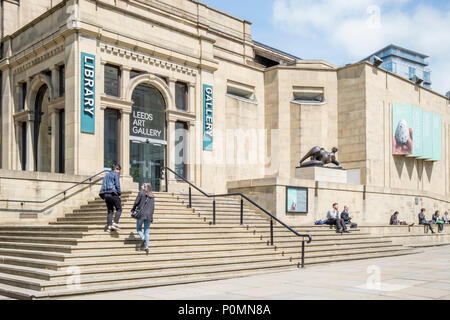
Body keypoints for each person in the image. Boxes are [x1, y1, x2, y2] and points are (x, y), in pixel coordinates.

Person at [132, 183, 155, 254]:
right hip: (149, 215)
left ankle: (143, 238)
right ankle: (147, 247)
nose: (141, 186)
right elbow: (153, 208)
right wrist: (151, 216)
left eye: (142, 185)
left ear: (145, 187)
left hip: (141, 214)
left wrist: (133, 209)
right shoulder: (152, 196)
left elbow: (136, 202)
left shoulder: (141, 193)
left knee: (138, 228)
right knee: (146, 231)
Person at [99, 164, 122, 232]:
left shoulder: (106, 176)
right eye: (119, 170)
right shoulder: (115, 174)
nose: (119, 172)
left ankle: (109, 226)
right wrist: (119, 193)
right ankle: (115, 223)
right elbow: (117, 185)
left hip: (106, 194)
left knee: (110, 211)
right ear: (116, 169)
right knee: (119, 209)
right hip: (113, 193)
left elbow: (103, 186)